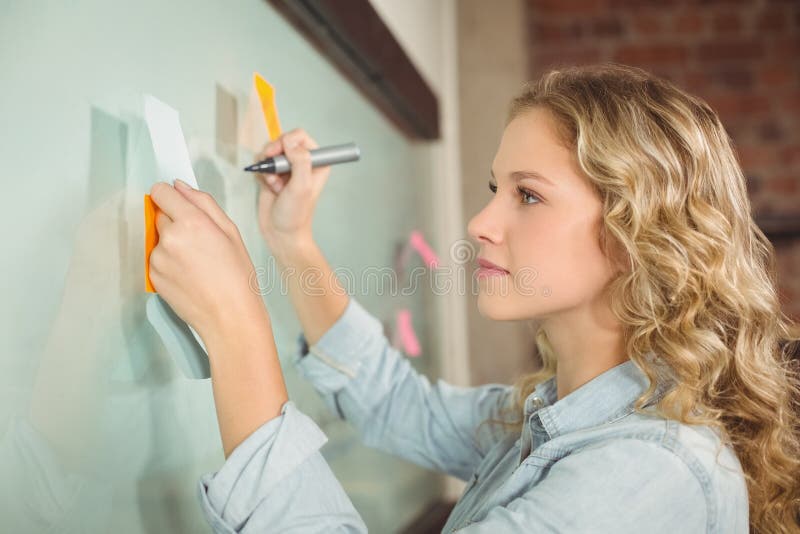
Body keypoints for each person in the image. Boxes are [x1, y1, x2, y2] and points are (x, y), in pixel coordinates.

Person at [147, 63, 800, 533]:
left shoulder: (649, 474)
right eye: (496, 188)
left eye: (528, 194)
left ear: (634, 235)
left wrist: (236, 327)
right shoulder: (561, 411)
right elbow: (396, 404)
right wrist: (292, 241)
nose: (480, 223)